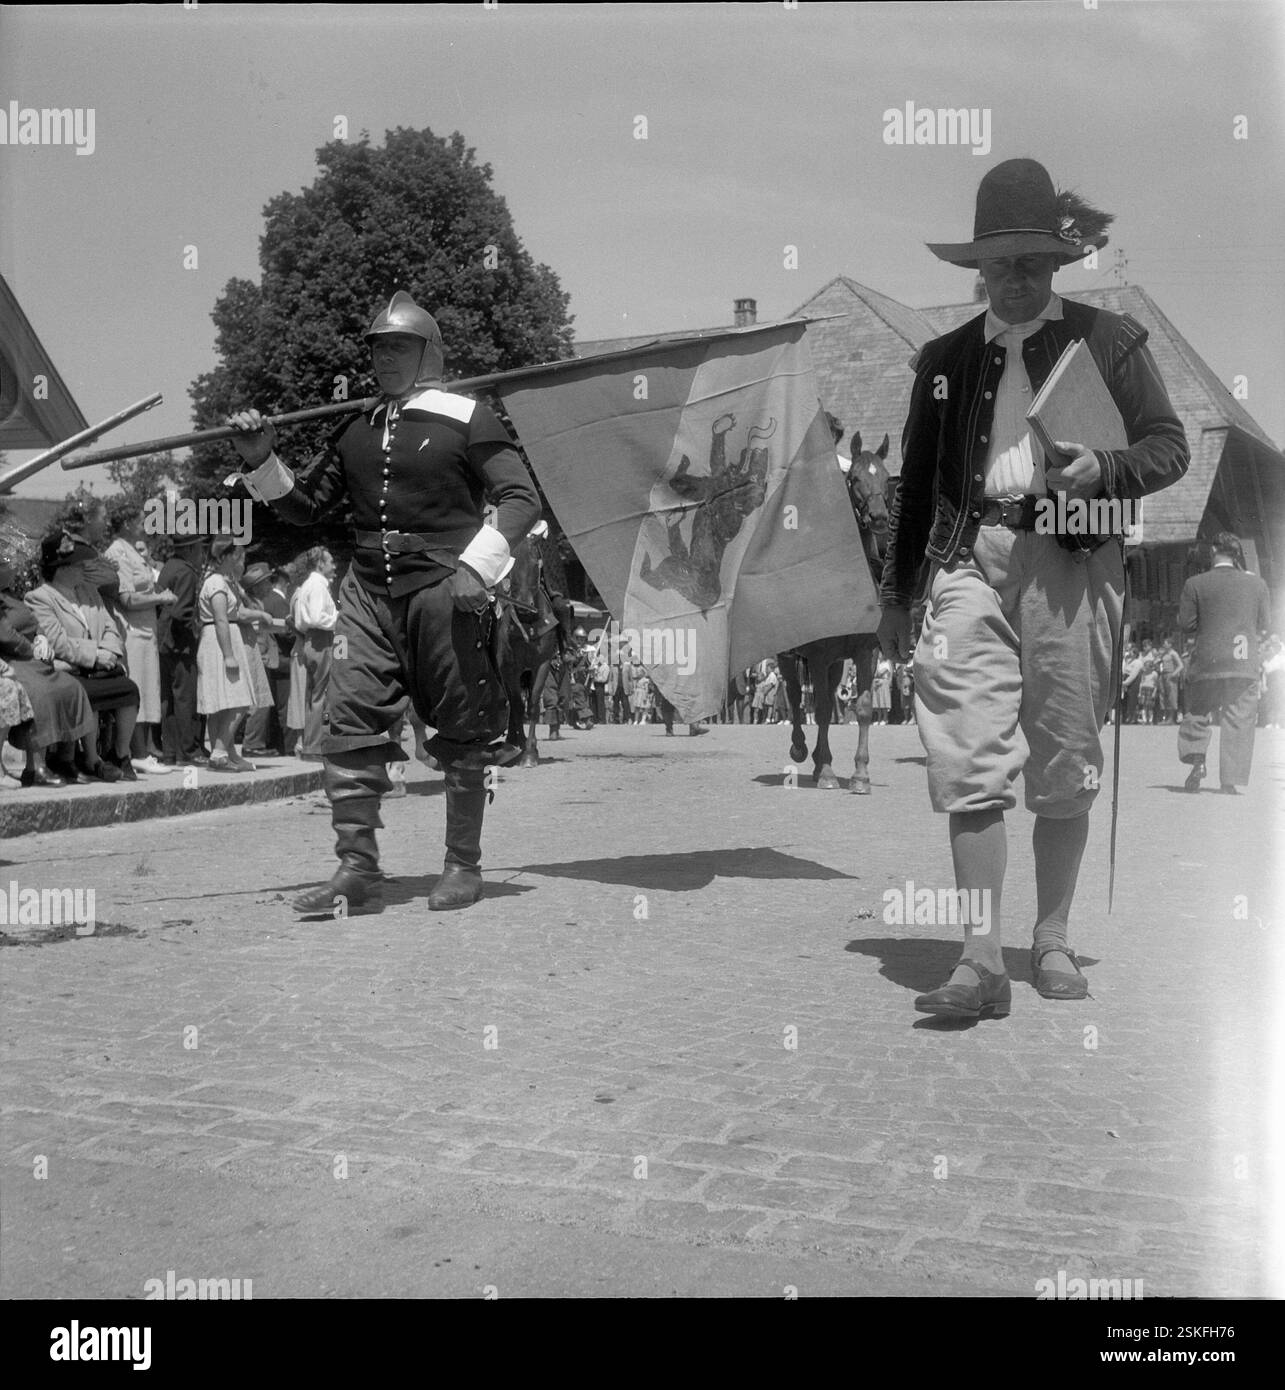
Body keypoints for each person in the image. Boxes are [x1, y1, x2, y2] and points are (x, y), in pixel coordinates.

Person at [878, 157, 1188, 1017]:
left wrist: (1109, 467)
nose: (1013, 279)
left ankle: (1049, 939)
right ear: (976, 268)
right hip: (969, 558)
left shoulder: (1109, 339)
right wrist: (898, 595)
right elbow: (913, 484)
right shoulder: (940, 361)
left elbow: (1170, 447)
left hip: (1074, 563)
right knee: (967, 756)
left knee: (1062, 756)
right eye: (998, 263)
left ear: (1057, 265)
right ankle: (979, 959)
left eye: (1030, 263)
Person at [227, 290, 540, 913]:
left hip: (446, 591)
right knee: (347, 720)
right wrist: (261, 460)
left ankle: (461, 865)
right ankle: (356, 868)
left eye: (398, 346)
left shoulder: (468, 416)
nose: (384, 358)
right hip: (366, 593)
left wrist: (478, 568)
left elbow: (519, 499)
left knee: (460, 726)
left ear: (429, 352)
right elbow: (307, 507)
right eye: (377, 348)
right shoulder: (357, 427)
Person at [26, 530, 143, 781]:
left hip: (100, 667)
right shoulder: (40, 598)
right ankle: (92, 760)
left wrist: (110, 652)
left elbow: (110, 626)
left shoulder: (89, 592)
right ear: (61, 568)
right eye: (77, 564)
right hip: (74, 669)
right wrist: (95, 655)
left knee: (129, 690)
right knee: (88, 693)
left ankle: (120, 754)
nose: (82, 567)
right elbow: (57, 641)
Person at [1177, 533, 1271, 793]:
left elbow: (1186, 625)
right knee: (1240, 719)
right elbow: (1265, 624)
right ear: (1237, 555)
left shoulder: (1195, 583)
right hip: (1243, 663)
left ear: (1213, 551)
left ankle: (1197, 760)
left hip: (1208, 662)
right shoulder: (1258, 585)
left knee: (1197, 711)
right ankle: (1230, 780)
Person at [0, 560, 97, 786]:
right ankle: (35, 766)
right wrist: (32, 648)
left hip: (32, 657)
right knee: (41, 692)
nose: (13, 569)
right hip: (12, 658)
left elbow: (34, 622)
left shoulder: (11, 595)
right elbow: (6, 635)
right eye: (6, 567)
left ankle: (66, 759)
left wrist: (42, 637)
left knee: (71, 686)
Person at [105, 513, 177, 772]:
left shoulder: (133, 552)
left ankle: (142, 752)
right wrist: (160, 598)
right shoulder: (118, 553)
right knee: (137, 690)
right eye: (139, 520)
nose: (145, 525)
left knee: (148, 690)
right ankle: (135, 752)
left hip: (145, 630)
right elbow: (127, 599)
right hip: (132, 631)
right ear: (125, 523)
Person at [196, 539, 263, 771]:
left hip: (225, 638)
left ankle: (226, 753)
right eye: (235, 556)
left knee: (224, 702)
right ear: (224, 557)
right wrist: (228, 655)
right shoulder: (215, 583)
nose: (239, 561)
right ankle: (219, 751)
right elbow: (221, 618)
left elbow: (234, 613)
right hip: (219, 643)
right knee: (239, 700)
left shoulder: (225, 582)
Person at [156, 535, 208, 766]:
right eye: (199, 548)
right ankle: (189, 751)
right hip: (181, 645)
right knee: (186, 699)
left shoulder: (169, 566)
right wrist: (197, 631)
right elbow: (181, 612)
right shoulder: (187, 572)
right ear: (189, 549)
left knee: (168, 700)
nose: (202, 553)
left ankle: (171, 753)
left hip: (163, 642)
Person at [288, 548, 338, 761]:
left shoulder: (307, 586)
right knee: (321, 695)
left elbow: (301, 620)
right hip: (320, 639)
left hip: (312, 639)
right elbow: (318, 618)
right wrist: (340, 619)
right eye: (330, 562)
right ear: (320, 564)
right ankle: (316, 746)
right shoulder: (317, 586)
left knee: (314, 695)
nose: (334, 566)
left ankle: (312, 743)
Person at [242, 563, 293, 756]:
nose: (269, 587)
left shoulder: (260, 603)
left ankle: (255, 743)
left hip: (263, 655)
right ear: (255, 587)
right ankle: (252, 744)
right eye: (265, 583)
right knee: (258, 703)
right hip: (256, 655)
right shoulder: (252, 604)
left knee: (262, 702)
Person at [871, 656, 893, 725]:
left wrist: (877, 667)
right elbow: (875, 673)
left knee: (884, 702)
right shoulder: (877, 662)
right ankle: (879, 719)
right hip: (877, 683)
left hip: (884, 683)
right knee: (878, 703)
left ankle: (885, 719)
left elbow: (880, 673)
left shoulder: (887, 662)